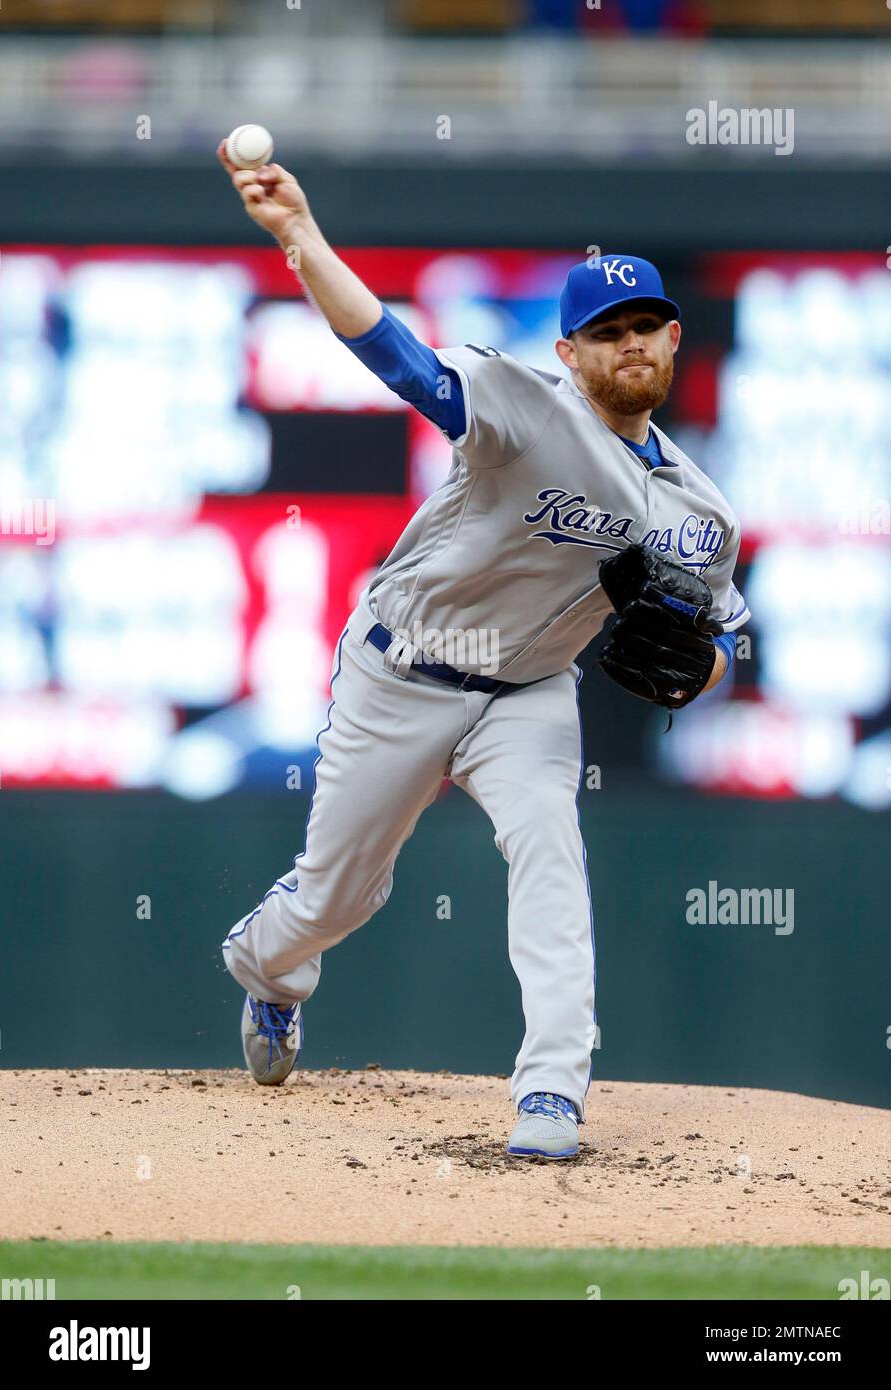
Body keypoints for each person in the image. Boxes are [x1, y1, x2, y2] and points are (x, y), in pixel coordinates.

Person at [217, 144, 750, 1160]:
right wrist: (299, 237)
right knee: (334, 897)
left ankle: (551, 1091)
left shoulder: (700, 511)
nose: (628, 344)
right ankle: (270, 973)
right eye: (605, 332)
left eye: (643, 326)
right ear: (571, 351)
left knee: (549, 855)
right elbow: (394, 355)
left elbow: (724, 643)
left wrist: (701, 666)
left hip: (528, 693)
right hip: (402, 671)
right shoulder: (521, 406)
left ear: (672, 338)